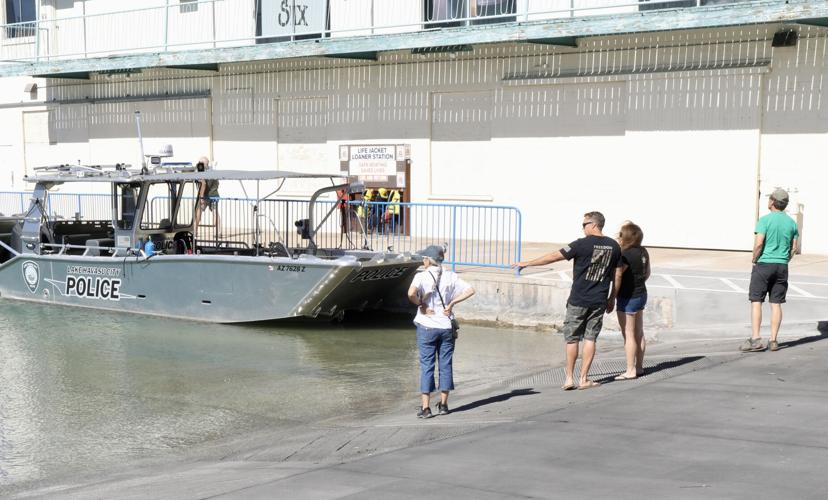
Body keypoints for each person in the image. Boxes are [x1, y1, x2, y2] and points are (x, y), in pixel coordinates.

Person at [513, 211, 622, 390]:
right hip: (599, 300)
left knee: (572, 339)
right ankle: (584, 379)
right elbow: (617, 275)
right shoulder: (614, 246)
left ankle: (569, 379)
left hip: (578, 299)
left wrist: (527, 263)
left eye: (584, 224)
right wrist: (612, 298)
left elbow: (553, 256)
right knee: (590, 338)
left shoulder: (580, 244)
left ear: (594, 225)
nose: (583, 227)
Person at [408, 245, 475, 418]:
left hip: (427, 326)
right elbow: (471, 290)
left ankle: (426, 408)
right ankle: (444, 405)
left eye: (424, 258)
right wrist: (451, 304)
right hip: (446, 327)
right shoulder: (451, 276)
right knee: (445, 364)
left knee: (427, 365)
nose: (423, 260)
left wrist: (420, 304)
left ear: (428, 260)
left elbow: (411, 293)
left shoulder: (421, 276)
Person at [741, 188, 799, 352]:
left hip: (764, 264)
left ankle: (756, 339)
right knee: (776, 303)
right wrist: (785, 260)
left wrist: (754, 259)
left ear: (772, 202)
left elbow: (759, 243)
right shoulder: (792, 223)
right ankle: (773, 340)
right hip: (782, 266)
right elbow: (794, 248)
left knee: (756, 301)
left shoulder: (764, 220)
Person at [612, 222, 650, 380]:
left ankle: (630, 370)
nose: (618, 236)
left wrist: (612, 296)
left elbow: (618, 275)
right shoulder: (643, 251)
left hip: (627, 297)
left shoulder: (625, 254)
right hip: (641, 294)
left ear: (626, 236)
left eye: (621, 234)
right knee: (639, 332)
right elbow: (647, 273)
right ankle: (639, 367)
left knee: (628, 334)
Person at [194, 156, 220, 241]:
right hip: (214, 195)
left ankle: (195, 231)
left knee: (199, 211)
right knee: (215, 212)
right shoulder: (213, 171)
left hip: (205, 196)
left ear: (204, 164)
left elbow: (203, 184)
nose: (199, 164)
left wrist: (201, 197)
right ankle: (218, 232)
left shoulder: (201, 172)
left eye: (200, 163)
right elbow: (217, 183)